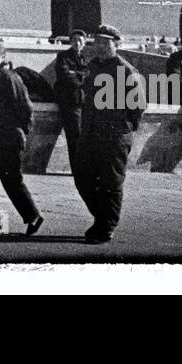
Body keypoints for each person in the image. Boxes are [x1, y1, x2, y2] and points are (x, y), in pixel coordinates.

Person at [74, 24, 145, 244]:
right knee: (83, 178)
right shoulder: (92, 66)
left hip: (115, 135)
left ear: (116, 44)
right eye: (98, 42)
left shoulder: (125, 70)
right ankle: (103, 218)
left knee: (110, 182)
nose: (101, 46)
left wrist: (123, 126)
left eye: (106, 42)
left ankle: (105, 227)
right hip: (90, 133)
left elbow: (138, 104)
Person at [0, 41, 43, 235]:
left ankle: (33, 216)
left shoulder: (9, 77)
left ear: (2, 58)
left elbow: (25, 107)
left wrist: (23, 132)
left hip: (7, 138)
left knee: (11, 179)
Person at [52, 30, 88, 168]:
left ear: (84, 43)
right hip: (69, 102)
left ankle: (82, 167)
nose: (77, 43)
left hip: (81, 100)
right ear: (70, 41)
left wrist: (76, 74)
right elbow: (65, 76)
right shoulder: (63, 56)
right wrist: (81, 77)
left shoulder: (83, 58)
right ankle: (77, 168)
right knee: (74, 136)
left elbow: (88, 75)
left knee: (82, 136)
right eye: (74, 40)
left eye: (80, 40)